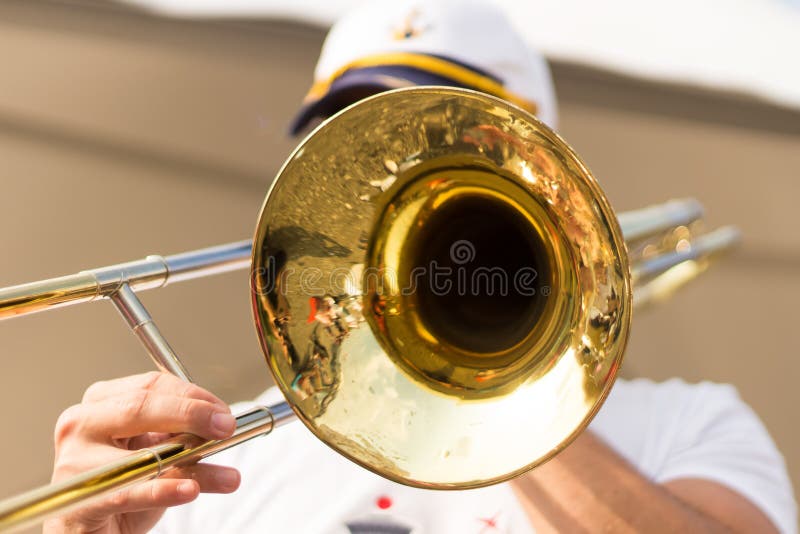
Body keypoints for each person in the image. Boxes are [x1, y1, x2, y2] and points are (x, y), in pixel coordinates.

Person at [45, 1, 796, 533]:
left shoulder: (691, 424)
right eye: (356, 138)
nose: (393, 168)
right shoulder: (215, 473)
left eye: (441, 134)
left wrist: (503, 397)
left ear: (553, 172)